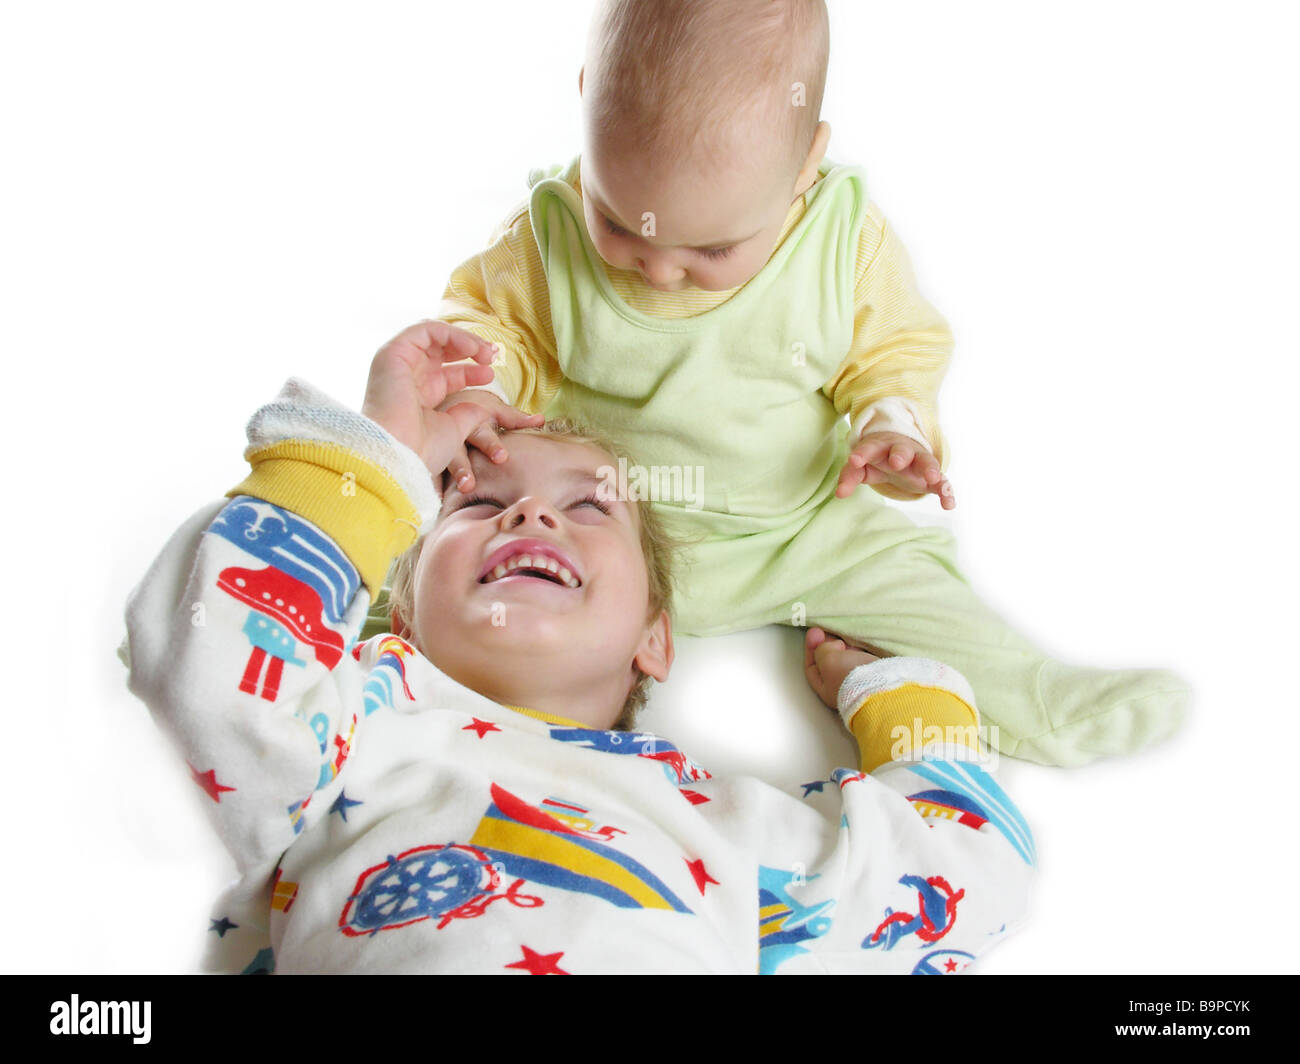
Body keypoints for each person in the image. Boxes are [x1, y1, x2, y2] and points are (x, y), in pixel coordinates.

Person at [123, 322, 1033, 974]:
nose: (530, 511)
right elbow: (214, 671)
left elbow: (958, 881)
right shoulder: (360, 721)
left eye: (592, 505)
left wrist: (898, 699)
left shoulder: (713, 819)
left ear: (653, 640)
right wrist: (382, 455)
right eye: (474, 504)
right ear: (399, 622)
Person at [424, 0, 1189, 766]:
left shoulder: (842, 245)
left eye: (714, 248)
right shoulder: (545, 237)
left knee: (916, 586)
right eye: (618, 224)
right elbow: (496, 328)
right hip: (602, 530)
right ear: (586, 100)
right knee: (434, 569)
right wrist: (483, 391)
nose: (657, 266)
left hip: (799, 530)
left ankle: (1039, 701)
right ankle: (348, 650)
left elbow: (893, 350)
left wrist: (891, 425)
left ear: (804, 169)